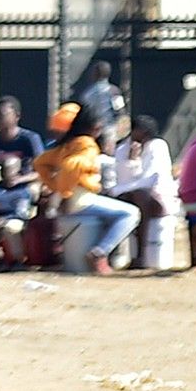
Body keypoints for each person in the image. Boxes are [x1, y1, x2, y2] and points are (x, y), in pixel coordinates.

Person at [34, 107, 140, 275]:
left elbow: (40, 163)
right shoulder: (88, 145)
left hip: (73, 201)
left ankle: (105, 255)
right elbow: (71, 165)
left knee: (112, 214)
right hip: (82, 201)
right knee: (131, 214)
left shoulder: (67, 145)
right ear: (93, 127)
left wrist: (55, 186)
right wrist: (65, 193)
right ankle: (99, 253)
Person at [110, 114, 176, 269]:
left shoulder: (157, 146)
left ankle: (140, 255)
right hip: (130, 192)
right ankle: (112, 254)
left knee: (141, 196)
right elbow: (122, 179)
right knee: (123, 198)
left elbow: (150, 180)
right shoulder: (123, 149)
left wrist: (119, 189)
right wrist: (131, 161)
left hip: (158, 195)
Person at [0, 153, 37, 270]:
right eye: (6, 170)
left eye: (12, 170)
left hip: (17, 220)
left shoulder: (23, 191)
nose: (9, 174)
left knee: (8, 227)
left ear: (18, 171)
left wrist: (4, 220)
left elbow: (22, 213)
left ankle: (18, 260)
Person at [0, 96, 44, 173]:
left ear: (17, 116)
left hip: (24, 178)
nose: (0, 118)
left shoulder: (30, 139)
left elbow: (42, 170)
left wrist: (20, 179)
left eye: (4, 114)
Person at [71, 60, 125, 135]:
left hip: (93, 129)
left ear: (95, 74)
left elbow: (83, 110)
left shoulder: (88, 93)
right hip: (110, 128)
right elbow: (120, 110)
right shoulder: (114, 91)